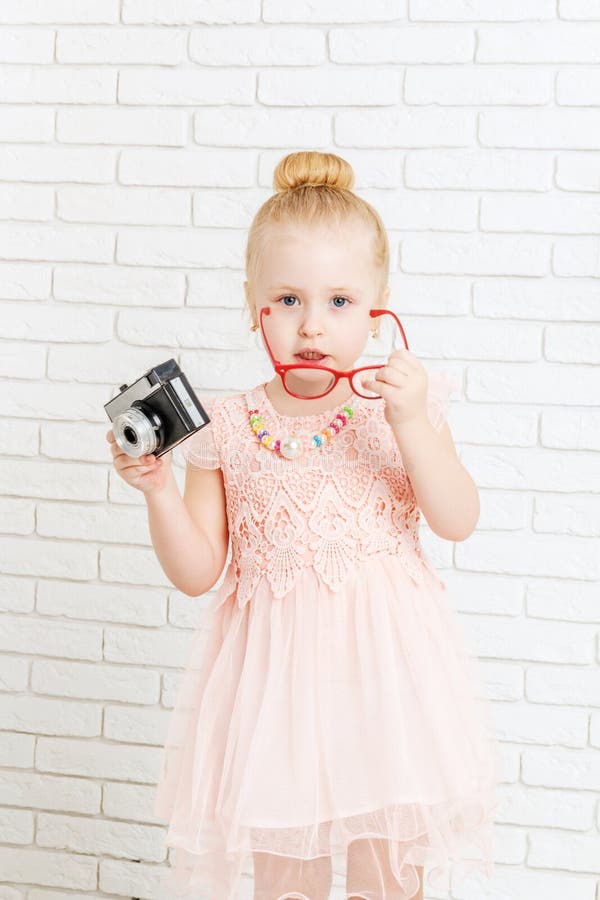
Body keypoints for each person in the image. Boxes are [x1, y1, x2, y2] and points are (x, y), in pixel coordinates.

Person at [106, 150, 504, 900]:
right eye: (288, 300)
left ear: (380, 305)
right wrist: (157, 490)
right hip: (277, 685)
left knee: (389, 875)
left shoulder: (399, 407)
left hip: (389, 679)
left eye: (341, 302)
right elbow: (198, 571)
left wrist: (414, 422)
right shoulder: (227, 425)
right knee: (287, 878)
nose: (312, 324)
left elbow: (458, 519)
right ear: (253, 302)